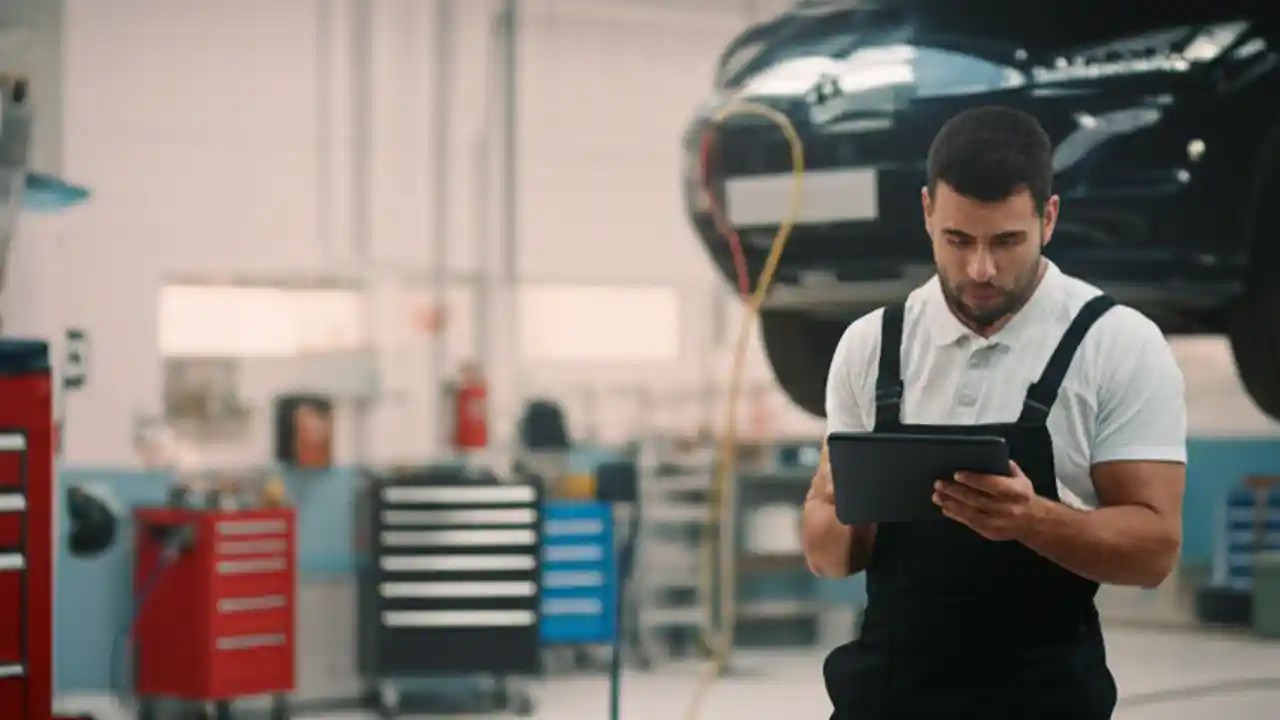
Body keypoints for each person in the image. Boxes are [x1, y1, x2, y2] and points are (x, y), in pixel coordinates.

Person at [803, 105, 1187, 719]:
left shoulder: (1116, 344)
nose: (981, 269)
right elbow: (827, 560)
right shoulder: (872, 347)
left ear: (1049, 218)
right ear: (927, 211)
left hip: (1044, 700)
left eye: (1006, 241)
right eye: (958, 240)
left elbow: (1154, 552)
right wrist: (843, 507)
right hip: (885, 698)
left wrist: (1031, 520)